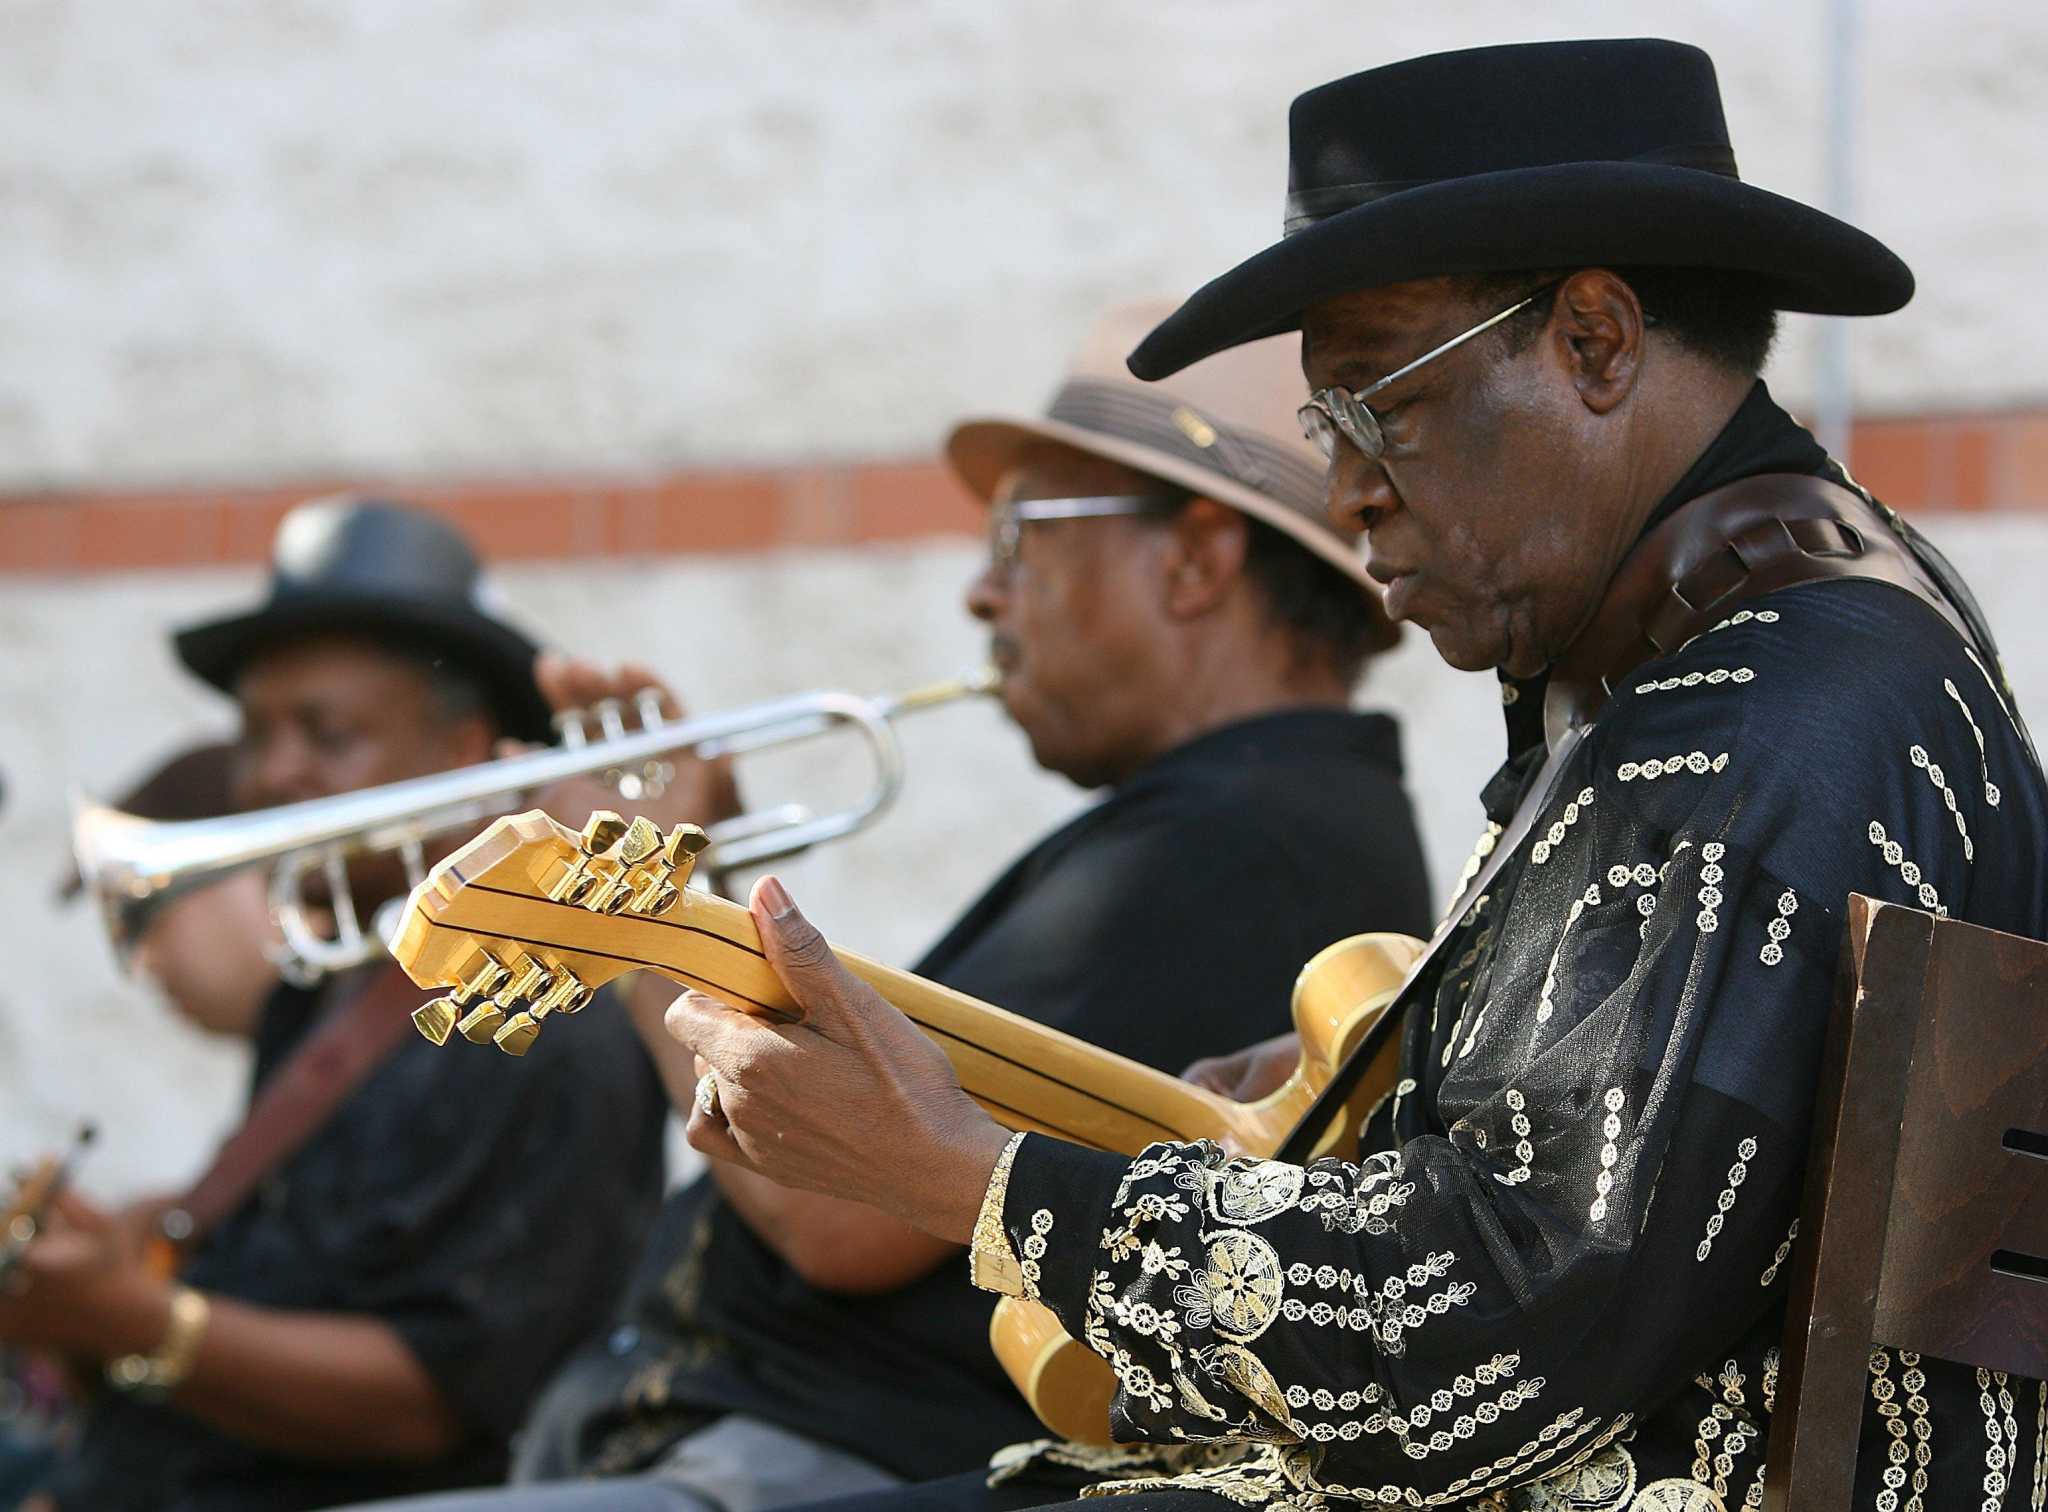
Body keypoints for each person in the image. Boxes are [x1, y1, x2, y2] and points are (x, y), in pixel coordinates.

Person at [658, 40, 2048, 1512]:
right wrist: (1383, 1105)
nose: (1348, 491)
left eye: (1383, 407)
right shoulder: (1819, 634)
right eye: (1330, 427)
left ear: (1594, 341)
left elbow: (1492, 1345)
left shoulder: (1767, 715)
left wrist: (976, 1176)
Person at [350, 301, 1434, 1511]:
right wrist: (683, 887)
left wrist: (632, 905)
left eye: (1020, 536)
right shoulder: (1240, 815)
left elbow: (838, 1214)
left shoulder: (1240, 839)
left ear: (1192, 561)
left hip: (817, 1462)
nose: (981, 593)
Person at [1, 498, 668, 1512]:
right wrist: (104, 1283)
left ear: (464, 758)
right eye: (256, 735)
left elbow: (435, 1404)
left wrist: (135, 1320)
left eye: (327, 734)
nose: (271, 775)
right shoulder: (325, 996)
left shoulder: (546, 1018)